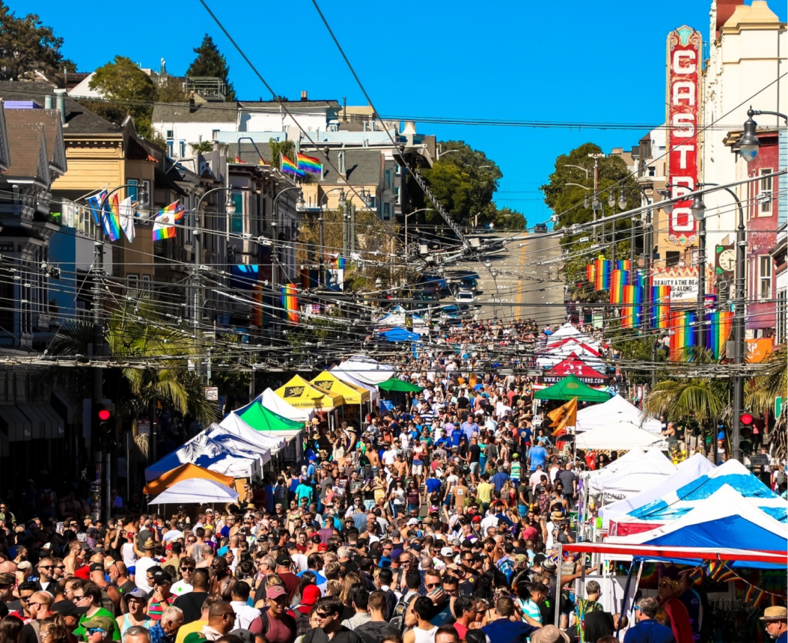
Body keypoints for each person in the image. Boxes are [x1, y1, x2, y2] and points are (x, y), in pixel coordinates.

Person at [656, 573, 692, 643]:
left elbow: (683, 631)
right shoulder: (658, 602)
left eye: (664, 586)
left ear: (672, 589)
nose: (661, 588)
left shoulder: (676, 605)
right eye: (660, 585)